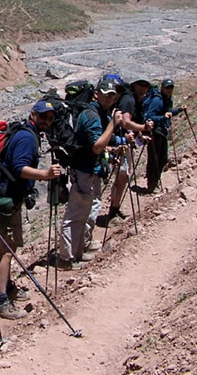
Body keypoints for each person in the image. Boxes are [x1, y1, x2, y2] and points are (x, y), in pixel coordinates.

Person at [0, 99, 61, 320]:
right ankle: (1, 301)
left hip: (8, 198)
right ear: (33, 115)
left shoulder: (26, 133)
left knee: (8, 248)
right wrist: (45, 175)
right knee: (6, 250)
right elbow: (19, 168)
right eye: (43, 117)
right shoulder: (27, 138)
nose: (46, 122)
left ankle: (8, 287)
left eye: (50, 119)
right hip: (7, 200)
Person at [56, 78, 128, 270]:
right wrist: (113, 124)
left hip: (90, 170)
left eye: (113, 96)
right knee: (77, 213)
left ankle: (78, 251)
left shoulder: (99, 113)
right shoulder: (92, 115)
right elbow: (96, 146)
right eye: (107, 95)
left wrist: (116, 143)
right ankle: (66, 258)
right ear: (97, 94)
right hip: (84, 170)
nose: (111, 99)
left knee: (87, 211)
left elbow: (102, 139)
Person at [97, 76, 149, 226]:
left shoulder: (121, 101)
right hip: (116, 143)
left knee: (121, 175)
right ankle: (112, 211)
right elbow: (126, 123)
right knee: (122, 175)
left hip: (116, 142)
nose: (114, 96)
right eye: (141, 84)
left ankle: (112, 209)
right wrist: (143, 129)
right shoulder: (128, 100)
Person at [142, 78, 186, 194]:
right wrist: (162, 117)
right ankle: (151, 184)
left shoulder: (167, 99)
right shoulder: (157, 100)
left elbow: (169, 113)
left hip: (162, 132)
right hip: (155, 132)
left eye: (171, 88)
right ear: (162, 88)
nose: (169, 90)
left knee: (162, 159)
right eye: (167, 87)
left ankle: (155, 181)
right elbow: (149, 116)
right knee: (154, 159)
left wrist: (179, 110)